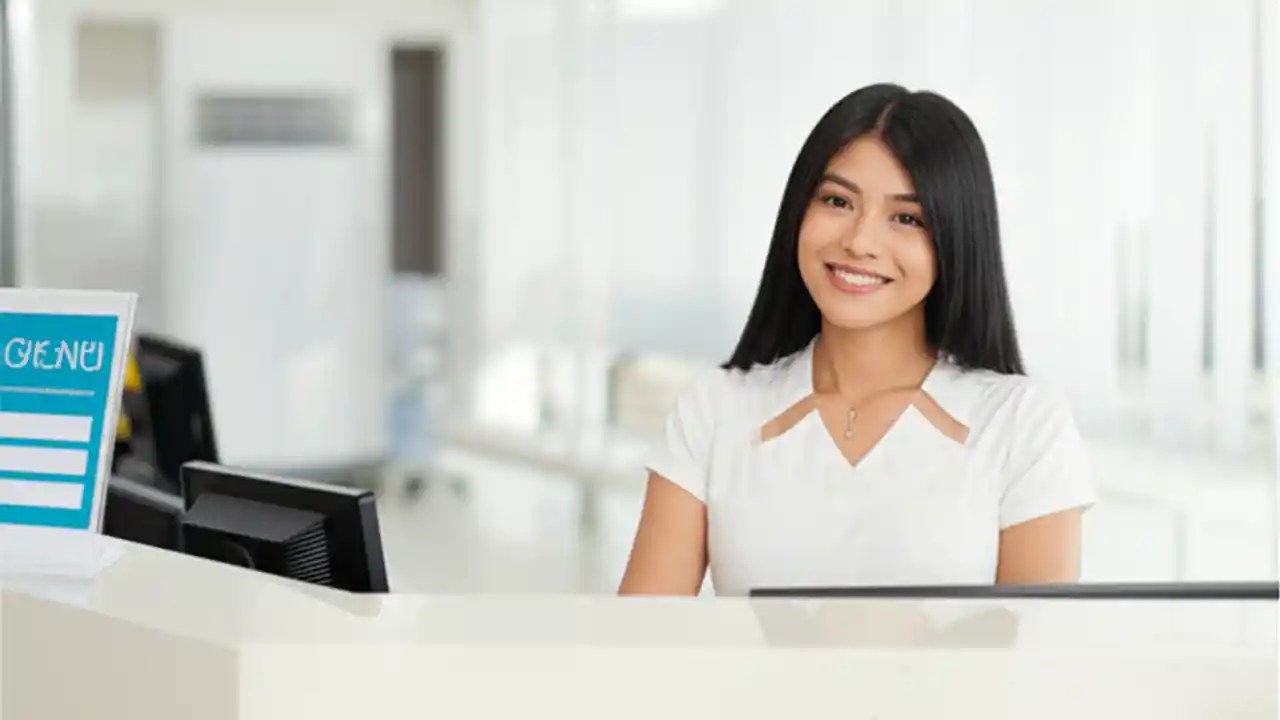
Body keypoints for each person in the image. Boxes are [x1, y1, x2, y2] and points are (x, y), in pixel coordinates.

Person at [619, 84, 1095, 596]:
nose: (859, 242)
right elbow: (642, 647)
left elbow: (1039, 659)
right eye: (837, 201)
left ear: (955, 239)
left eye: (907, 218)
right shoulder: (713, 411)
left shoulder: (1022, 423)